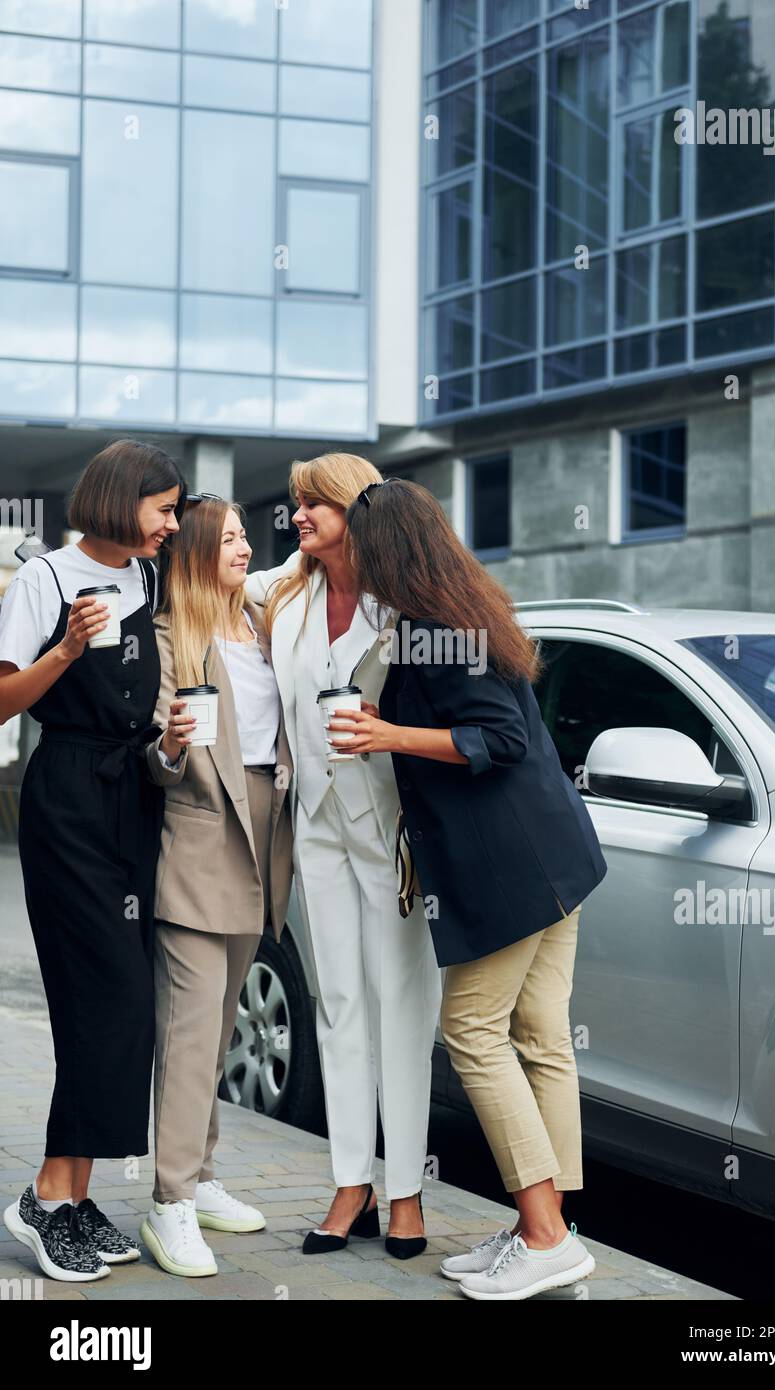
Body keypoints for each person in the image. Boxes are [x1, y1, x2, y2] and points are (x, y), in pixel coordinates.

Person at [334, 477, 609, 1300]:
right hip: (556, 857)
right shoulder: (465, 603)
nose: (352, 556)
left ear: (388, 550)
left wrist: (386, 733)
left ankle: (547, 1233)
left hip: (513, 865)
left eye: (358, 544)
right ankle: (545, 1228)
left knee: (473, 1031)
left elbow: (500, 737)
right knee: (540, 1036)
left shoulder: (437, 625)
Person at [244, 454, 441, 1258]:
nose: (299, 514)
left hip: (393, 832)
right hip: (318, 825)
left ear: (355, 508)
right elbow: (225, 581)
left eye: (314, 503)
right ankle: (350, 1182)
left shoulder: (404, 603)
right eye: (294, 503)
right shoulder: (286, 596)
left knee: (402, 1007)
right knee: (339, 1007)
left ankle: (405, 1193)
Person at [0, 440, 185, 1281]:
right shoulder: (45, 578)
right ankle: (44, 1194)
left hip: (130, 796)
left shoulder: (146, 578)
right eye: (164, 509)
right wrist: (65, 651)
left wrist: (169, 735)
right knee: (98, 993)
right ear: (121, 502)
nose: (172, 524)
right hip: (69, 796)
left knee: (127, 1002)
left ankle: (73, 1195)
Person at [139, 497, 293, 1278]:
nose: (244, 546)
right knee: (192, 1033)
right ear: (198, 551)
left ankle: (198, 1179)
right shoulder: (173, 639)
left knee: (224, 1019)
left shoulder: (264, 625)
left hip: (265, 837)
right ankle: (167, 1203)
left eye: (245, 535)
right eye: (229, 537)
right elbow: (158, 763)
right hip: (202, 840)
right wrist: (166, 748)